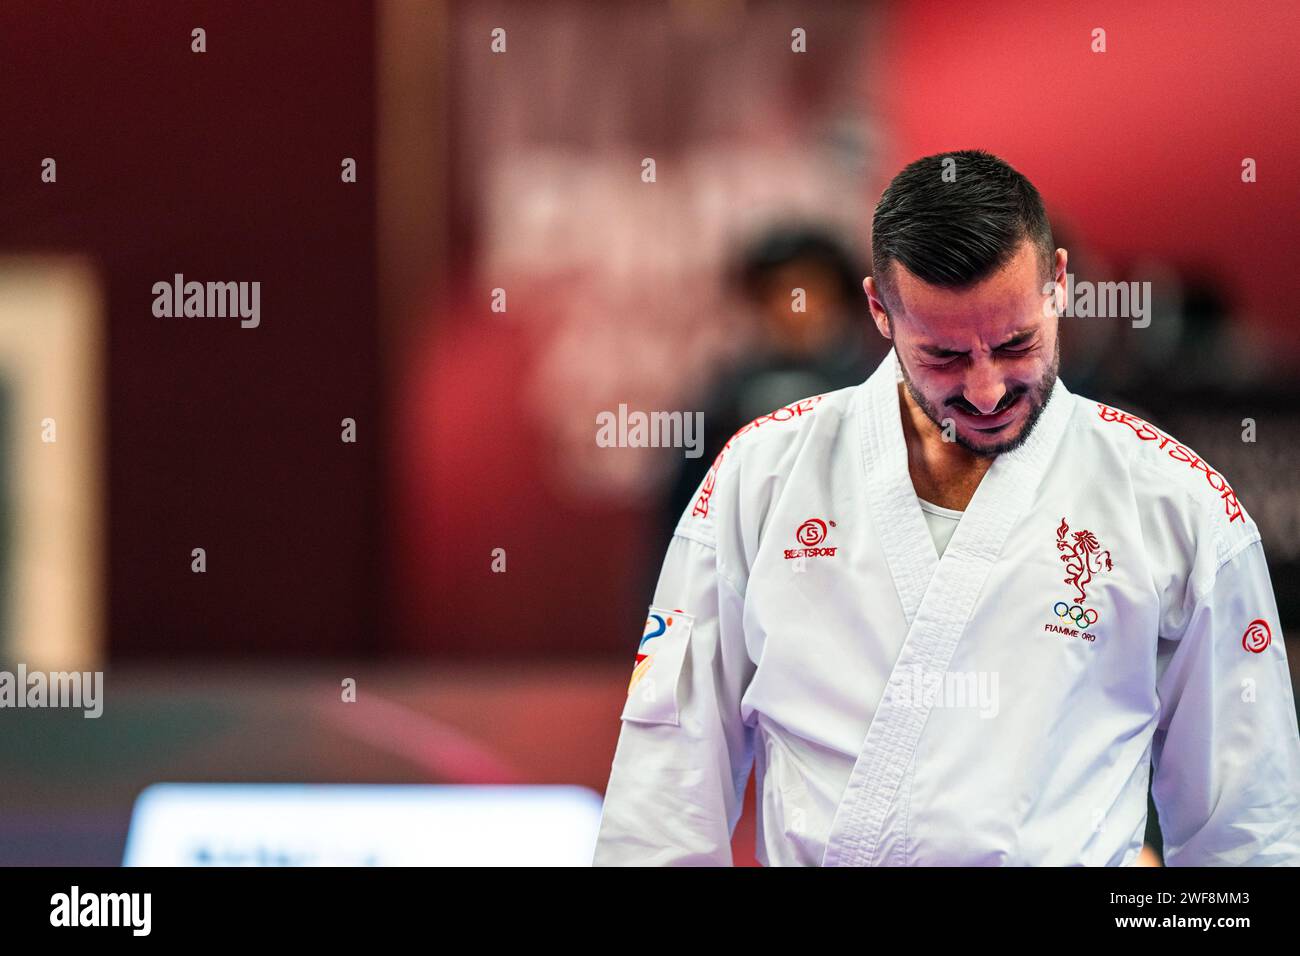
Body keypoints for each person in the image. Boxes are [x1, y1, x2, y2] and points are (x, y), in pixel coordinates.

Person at [592, 149, 1300, 866]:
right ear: (878, 310)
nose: (988, 390)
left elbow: (1249, 829)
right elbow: (665, 791)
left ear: (1058, 285)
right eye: (944, 356)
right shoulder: (763, 475)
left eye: (1016, 343)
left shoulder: (1172, 499)